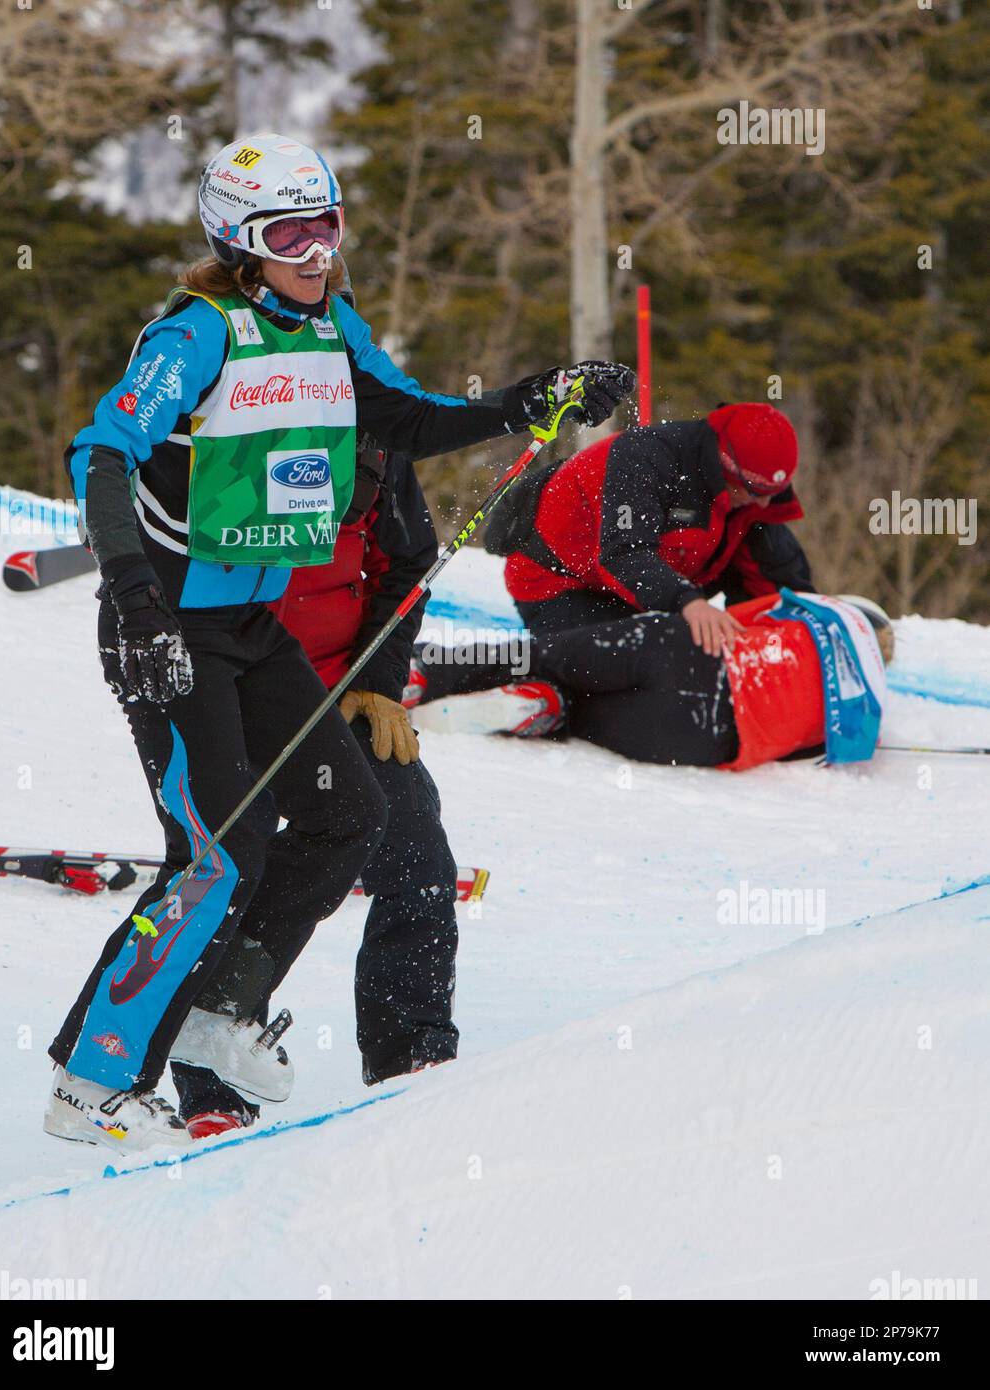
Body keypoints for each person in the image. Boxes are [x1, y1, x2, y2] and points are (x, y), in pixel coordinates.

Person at [44, 131, 633, 1151]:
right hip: (168, 623)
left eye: (328, 227)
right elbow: (101, 452)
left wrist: (527, 401)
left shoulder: (331, 329)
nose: (318, 254)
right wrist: (133, 598)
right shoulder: (195, 334)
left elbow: (408, 420)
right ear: (239, 241)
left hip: (248, 621)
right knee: (216, 855)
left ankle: (221, 1013)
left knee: (345, 812)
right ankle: (90, 1080)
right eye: (291, 236)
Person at [171, 277, 463, 1140]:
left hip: (339, 693)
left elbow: (406, 567)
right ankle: (208, 1084)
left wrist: (380, 679)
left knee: (415, 852)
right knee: (234, 874)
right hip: (230, 694)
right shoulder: (211, 423)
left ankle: (412, 1053)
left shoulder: (374, 444)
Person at [408, 593, 894, 771]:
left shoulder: (817, 615)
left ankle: (425, 669)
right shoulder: (862, 712)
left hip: (685, 652)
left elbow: (731, 619)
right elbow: (801, 757)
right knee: (582, 715)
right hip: (700, 737)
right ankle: (542, 708)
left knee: (541, 654)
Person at [487, 402, 814, 659]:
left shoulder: (751, 496)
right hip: (561, 585)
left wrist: (807, 622)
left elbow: (776, 576)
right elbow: (624, 555)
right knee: (630, 676)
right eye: (756, 491)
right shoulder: (644, 459)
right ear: (724, 466)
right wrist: (688, 602)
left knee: (710, 660)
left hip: (642, 592)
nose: (766, 503)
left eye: (776, 493)